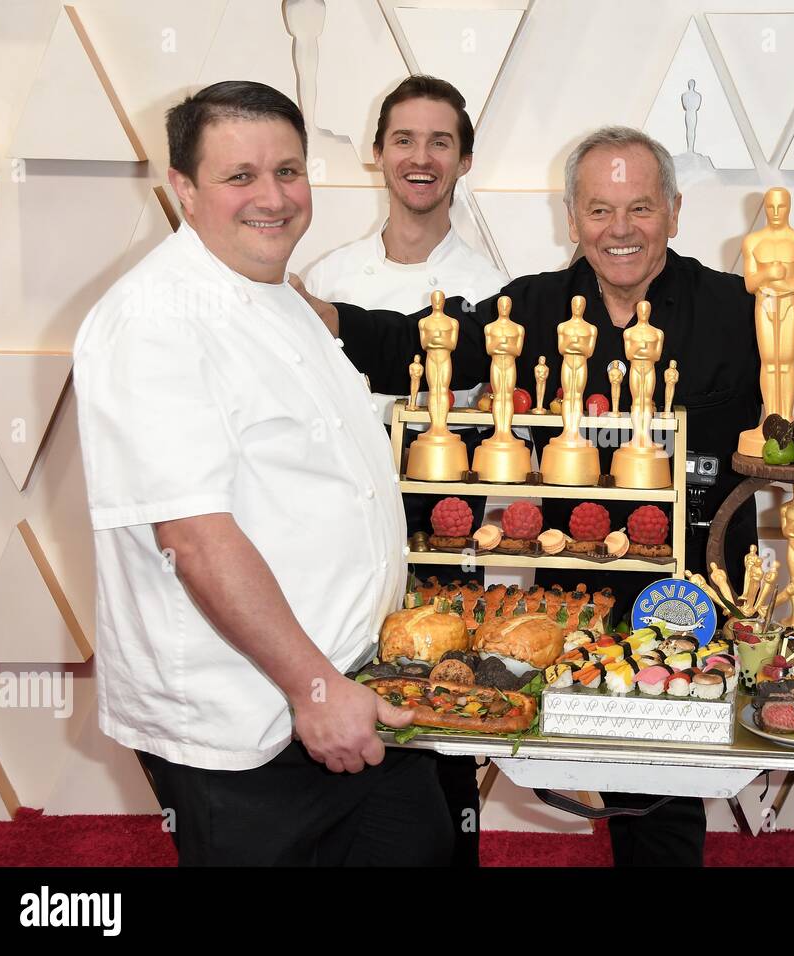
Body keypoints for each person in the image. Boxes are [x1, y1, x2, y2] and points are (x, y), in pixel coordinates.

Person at [296, 126, 794, 866]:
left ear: (675, 210)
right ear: (572, 219)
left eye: (640, 208)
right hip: (578, 592)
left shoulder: (736, 306)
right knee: (576, 760)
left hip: (709, 590)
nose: (619, 230)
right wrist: (330, 318)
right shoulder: (533, 309)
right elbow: (428, 345)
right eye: (599, 210)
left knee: (666, 790)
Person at [72, 80, 451, 866]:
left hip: (357, 687)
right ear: (183, 188)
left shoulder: (282, 295)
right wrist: (313, 688)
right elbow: (197, 537)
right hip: (252, 724)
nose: (273, 197)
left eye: (289, 170)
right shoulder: (153, 323)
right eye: (239, 177)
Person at [303, 78, 506, 866]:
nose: (420, 158)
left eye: (440, 143)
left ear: (464, 161)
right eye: (405, 141)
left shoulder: (492, 288)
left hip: (442, 526)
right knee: (347, 704)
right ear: (378, 152)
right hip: (339, 532)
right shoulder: (326, 279)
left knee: (445, 714)